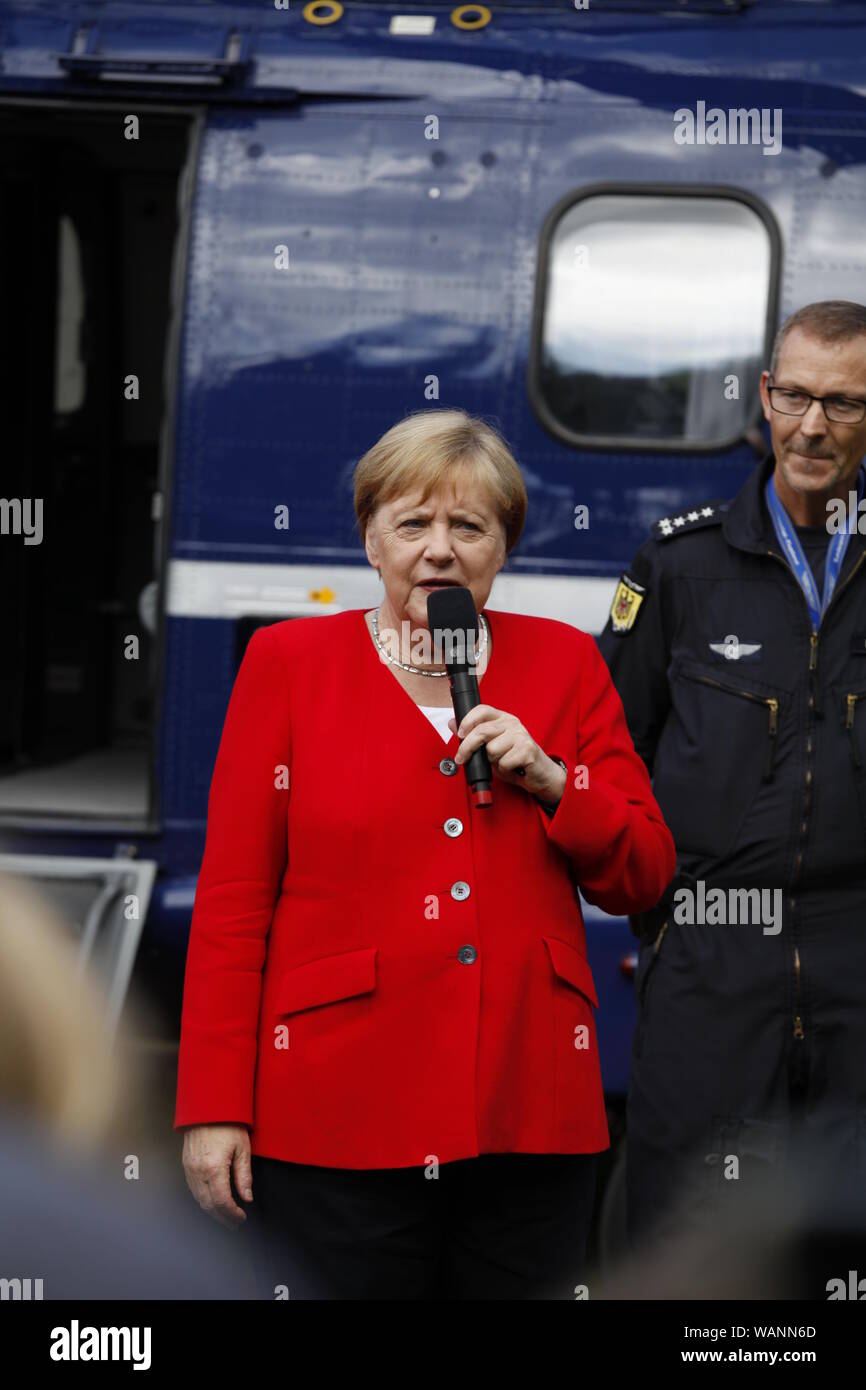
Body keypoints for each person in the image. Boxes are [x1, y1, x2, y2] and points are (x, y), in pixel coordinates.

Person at [175, 407, 675, 1300]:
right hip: (337, 1114)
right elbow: (234, 900)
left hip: (529, 1110)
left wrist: (558, 782)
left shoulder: (565, 664)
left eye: (469, 526)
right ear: (372, 540)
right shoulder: (288, 662)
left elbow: (645, 869)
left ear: (503, 547)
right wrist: (214, 1106)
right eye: (413, 523)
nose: (439, 549)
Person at [598, 300, 866, 1250]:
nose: (813, 425)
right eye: (794, 395)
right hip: (711, 943)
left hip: (855, 945)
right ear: (764, 395)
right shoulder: (679, 565)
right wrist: (664, 916)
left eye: (843, 402)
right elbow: (610, 750)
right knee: (689, 1226)